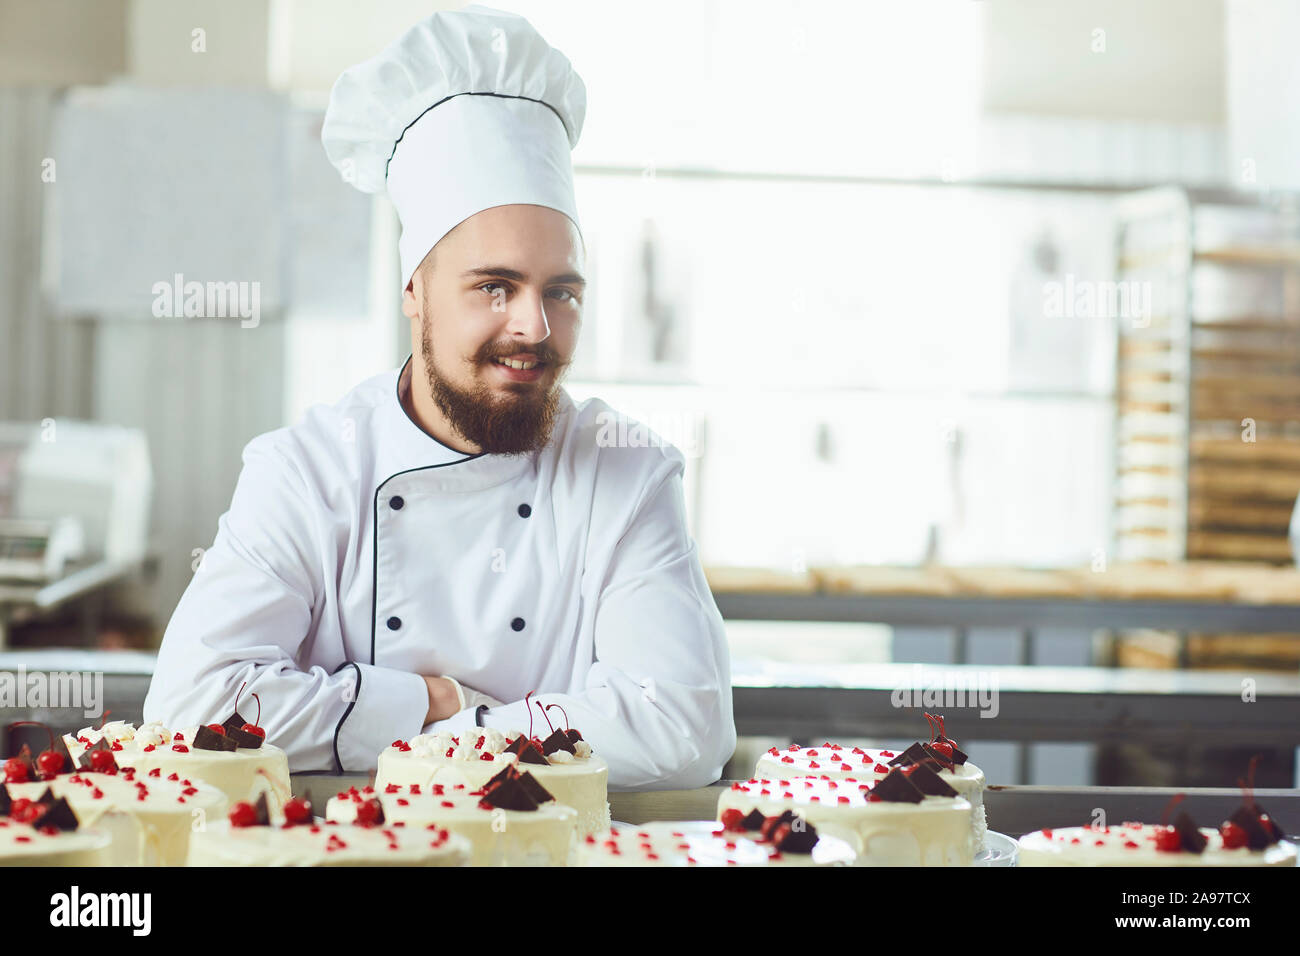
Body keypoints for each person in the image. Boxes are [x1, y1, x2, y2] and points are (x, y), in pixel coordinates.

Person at [142, 5, 734, 790]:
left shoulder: (626, 474)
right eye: (495, 286)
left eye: (562, 292)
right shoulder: (307, 472)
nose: (534, 325)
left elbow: (681, 728)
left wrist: (448, 731)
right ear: (414, 291)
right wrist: (431, 698)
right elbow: (192, 709)